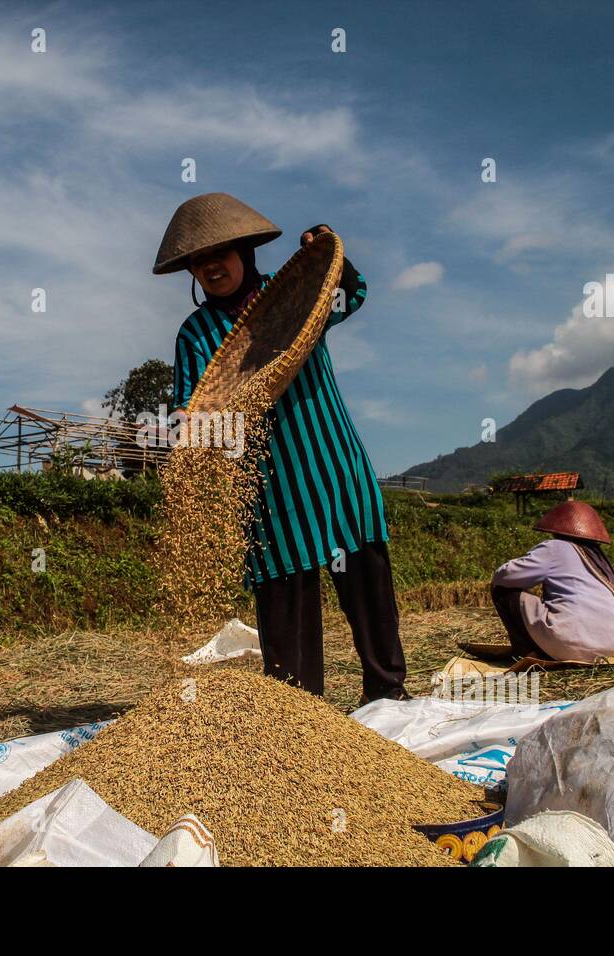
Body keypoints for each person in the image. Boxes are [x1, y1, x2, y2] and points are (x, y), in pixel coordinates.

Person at [154, 191, 408, 704]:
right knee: (285, 614)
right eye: (199, 262)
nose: (211, 267)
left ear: (245, 251)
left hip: (335, 470)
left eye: (219, 254)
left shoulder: (291, 294)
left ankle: (387, 693)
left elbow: (350, 293)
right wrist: (186, 426)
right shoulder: (197, 333)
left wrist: (330, 254)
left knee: (367, 590)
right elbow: (192, 404)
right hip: (271, 492)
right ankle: (300, 719)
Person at [491, 500, 614, 661]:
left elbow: (507, 575)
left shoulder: (555, 548)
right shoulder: (604, 563)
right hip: (608, 647)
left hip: (566, 641)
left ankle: (525, 651)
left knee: (502, 589)